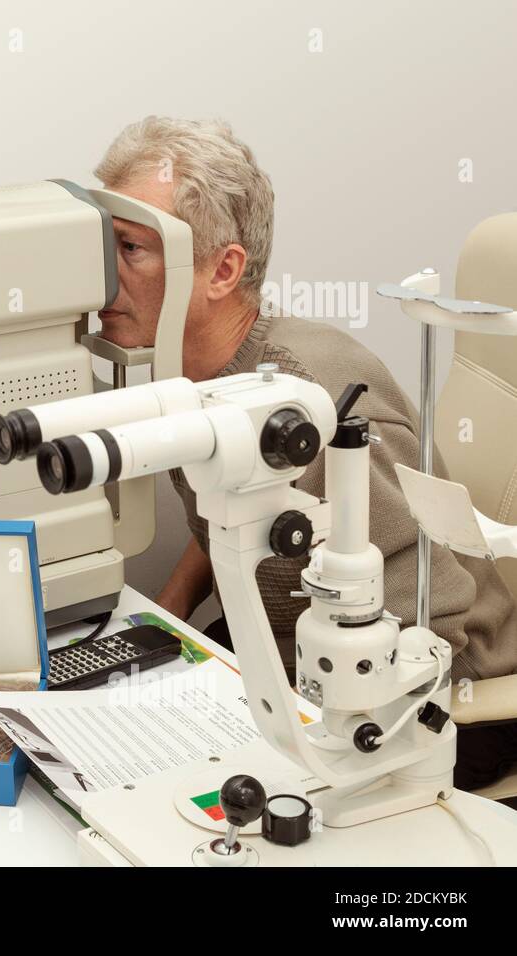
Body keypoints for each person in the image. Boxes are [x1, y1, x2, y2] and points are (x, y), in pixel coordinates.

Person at [92, 116, 517, 794]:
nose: (102, 276)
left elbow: (433, 617)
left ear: (222, 271)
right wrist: (161, 624)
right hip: (296, 645)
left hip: (446, 698)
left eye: (131, 249)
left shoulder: (313, 409)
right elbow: (235, 510)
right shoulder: (188, 376)